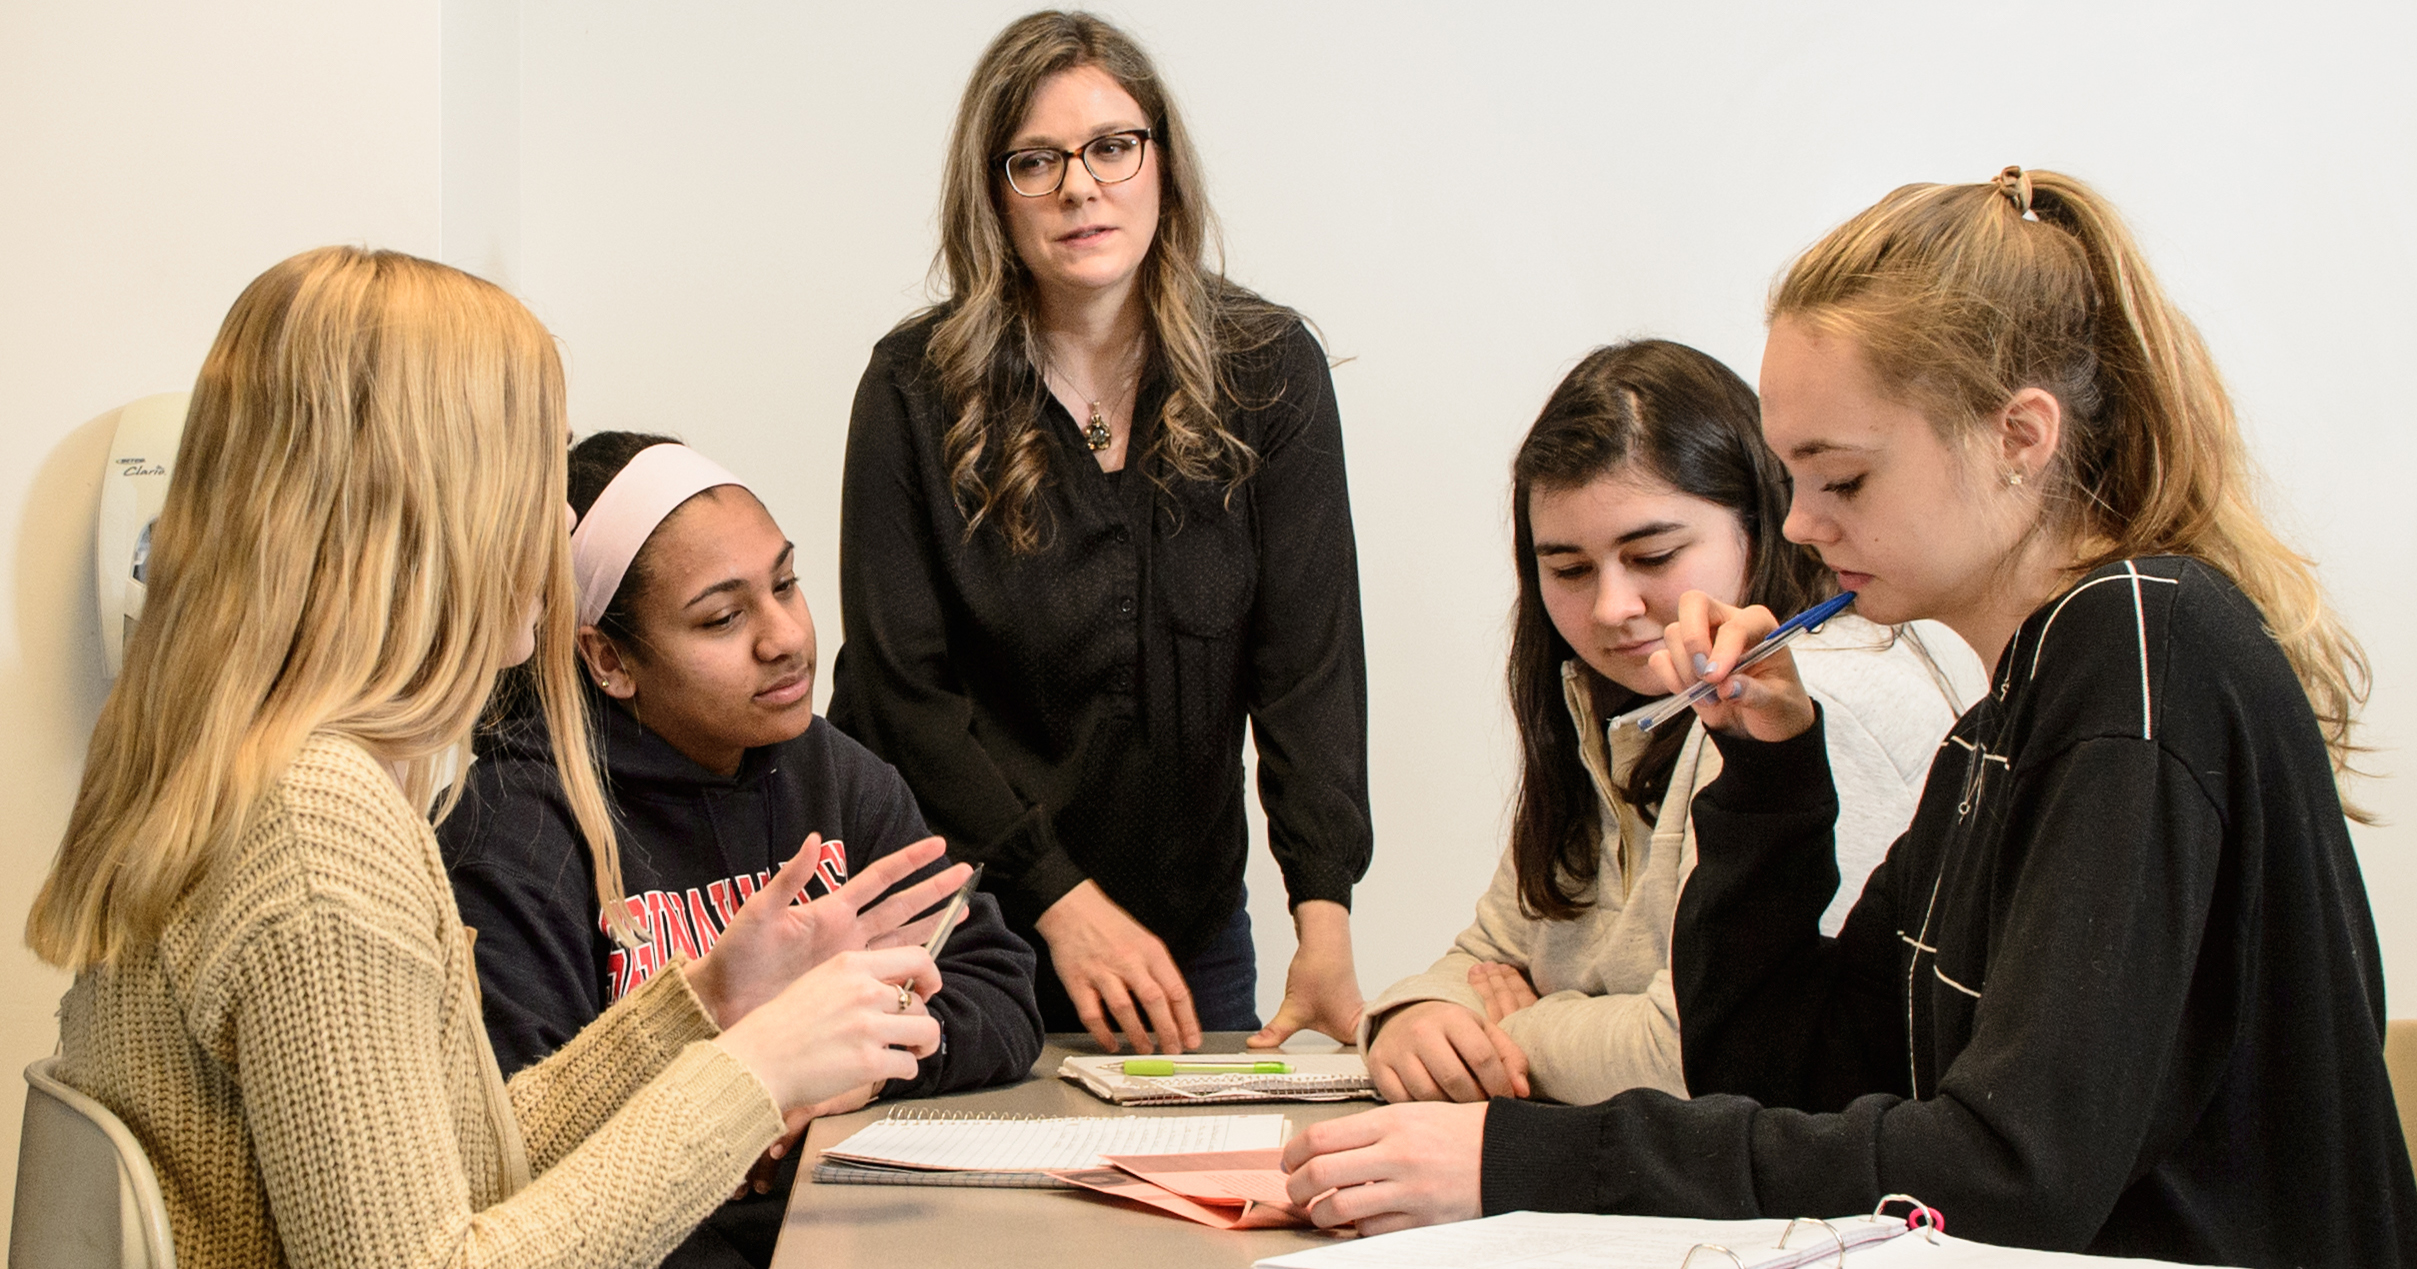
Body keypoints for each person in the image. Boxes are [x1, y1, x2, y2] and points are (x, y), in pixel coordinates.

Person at [1280, 168, 2417, 1264]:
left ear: (2019, 438)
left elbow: (2012, 1174)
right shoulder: (2006, 709)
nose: (1807, 528)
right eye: (1791, 484)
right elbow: (1787, 1073)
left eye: (1844, 480)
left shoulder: (2135, 647)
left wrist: (1523, 1158)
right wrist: (1770, 776)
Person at [28, 246, 953, 1269]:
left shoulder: (291, 774)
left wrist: (705, 1006)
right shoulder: (314, 828)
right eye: (531, 465)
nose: (559, 519)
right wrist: (755, 1072)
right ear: (410, 505)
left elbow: (457, 1171)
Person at [829, 9, 1371, 1055]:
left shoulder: (1268, 370)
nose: (1080, 186)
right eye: (1036, 161)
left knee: (1189, 1209)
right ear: (992, 193)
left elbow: (1308, 668)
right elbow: (905, 698)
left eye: (1112, 147)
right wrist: (1059, 899)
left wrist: (1324, 914)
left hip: (1185, 938)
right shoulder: (911, 388)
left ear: (1160, 163)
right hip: (965, 930)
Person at [439, 431, 1045, 1267]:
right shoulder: (514, 828)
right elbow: (514, 1137)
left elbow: (1000, 990)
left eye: (786, 584)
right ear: (608, 658)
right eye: (722, 617)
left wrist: (858, 1067)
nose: (785, 637)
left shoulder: (832, 774)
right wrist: (754, 1070)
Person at [1358, 340, 1983, 1108]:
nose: (1610, 608)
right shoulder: (1612, 705)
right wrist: (1414, 1015)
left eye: (1651, 554)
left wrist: (1515, 1033)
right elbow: (1490, 952)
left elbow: (1703, 1054)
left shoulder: (1813, 702)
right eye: (1568, 569)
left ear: (1762, 523)